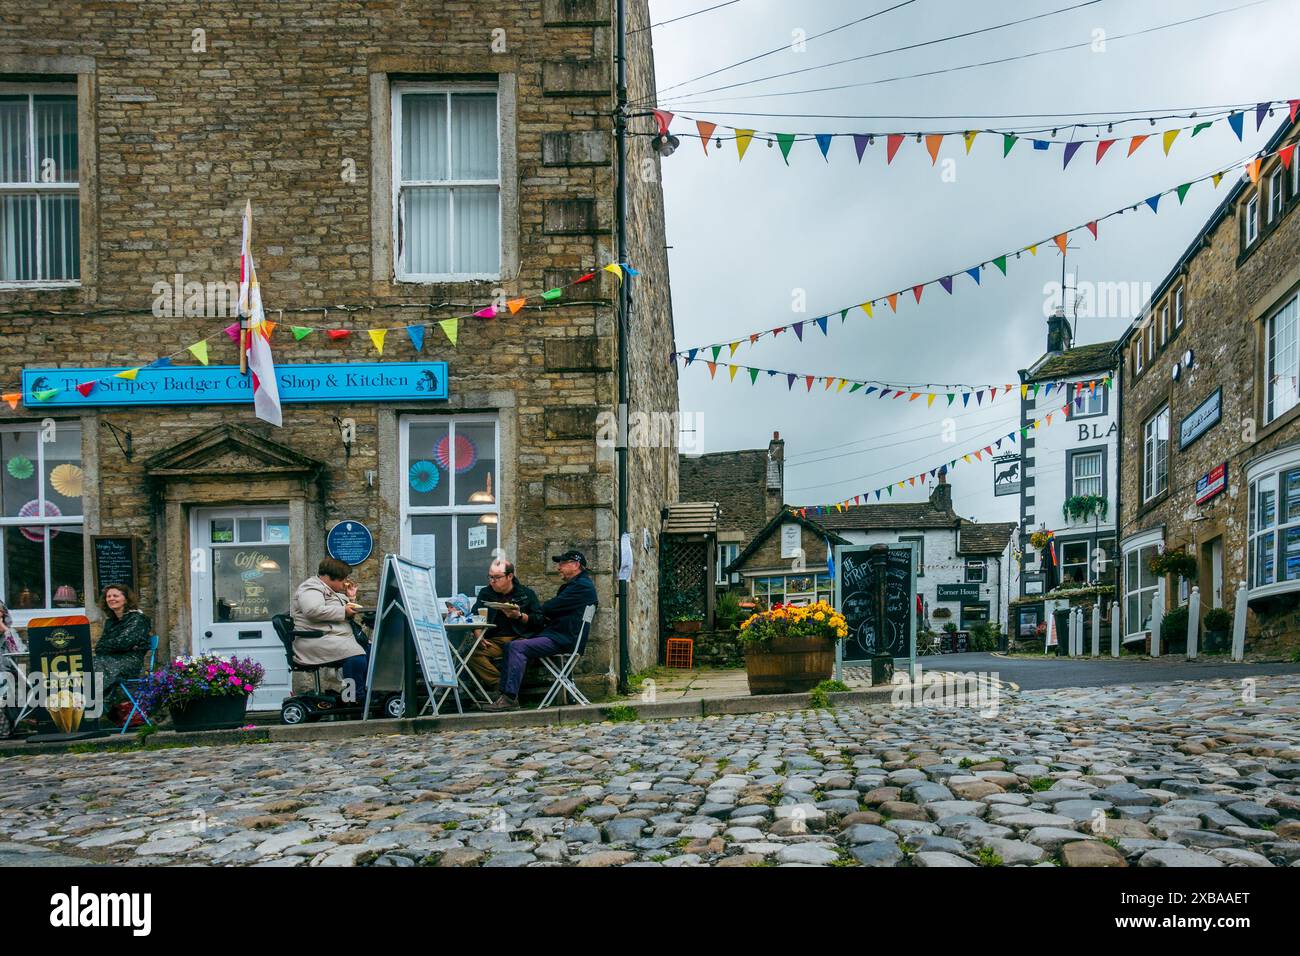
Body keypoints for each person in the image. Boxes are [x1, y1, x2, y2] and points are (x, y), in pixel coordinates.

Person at [483, 549, 598, 712]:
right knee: (514, 645)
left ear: (575, 565)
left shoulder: (581, 586)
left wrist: (526, 613)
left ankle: (509, 698)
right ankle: (507, 696)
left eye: (563, 564)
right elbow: (552, 611)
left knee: (515, 647)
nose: (559, 568)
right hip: (560, 636)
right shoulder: (577, 585)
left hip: (563, 640)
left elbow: (550, 608)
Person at [291, 558, 369, 707]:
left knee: (370, 651)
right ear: (330, 577)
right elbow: (313, 610)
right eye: (343, 579)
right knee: (356, 657)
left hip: (331, 638)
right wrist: (343, 611)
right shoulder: (311, 588)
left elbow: (335, 607)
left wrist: (351, 597)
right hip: (314, 639)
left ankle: (364, 692)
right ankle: (355, 697)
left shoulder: (329, 589)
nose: (345, 582)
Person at [465, 557, 542, 691]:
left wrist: (519, 616)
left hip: (521, 638)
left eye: (497, 577)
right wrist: (479, 635)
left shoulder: (526, 594)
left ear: (510, 576)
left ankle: (507, 692)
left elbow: (539, 620)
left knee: (514, 650)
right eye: (490, 577)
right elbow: (474, 615)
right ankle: (502, 687)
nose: (492, 581)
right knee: (472, 654)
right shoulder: (485, 593)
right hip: (495, 640)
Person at [96, 585, 152, 723]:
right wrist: (117, 645)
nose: (111, 599)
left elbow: (123, 642)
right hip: (109, 660)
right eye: (108, 596)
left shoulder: (138, 618)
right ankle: (92, 708)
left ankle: (94, 709)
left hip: (130, 662)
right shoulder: (110, 622)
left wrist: (117, 645)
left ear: (125, 599)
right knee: (91, 665)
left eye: (115, 595)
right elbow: (99, 647)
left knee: (96, 666)